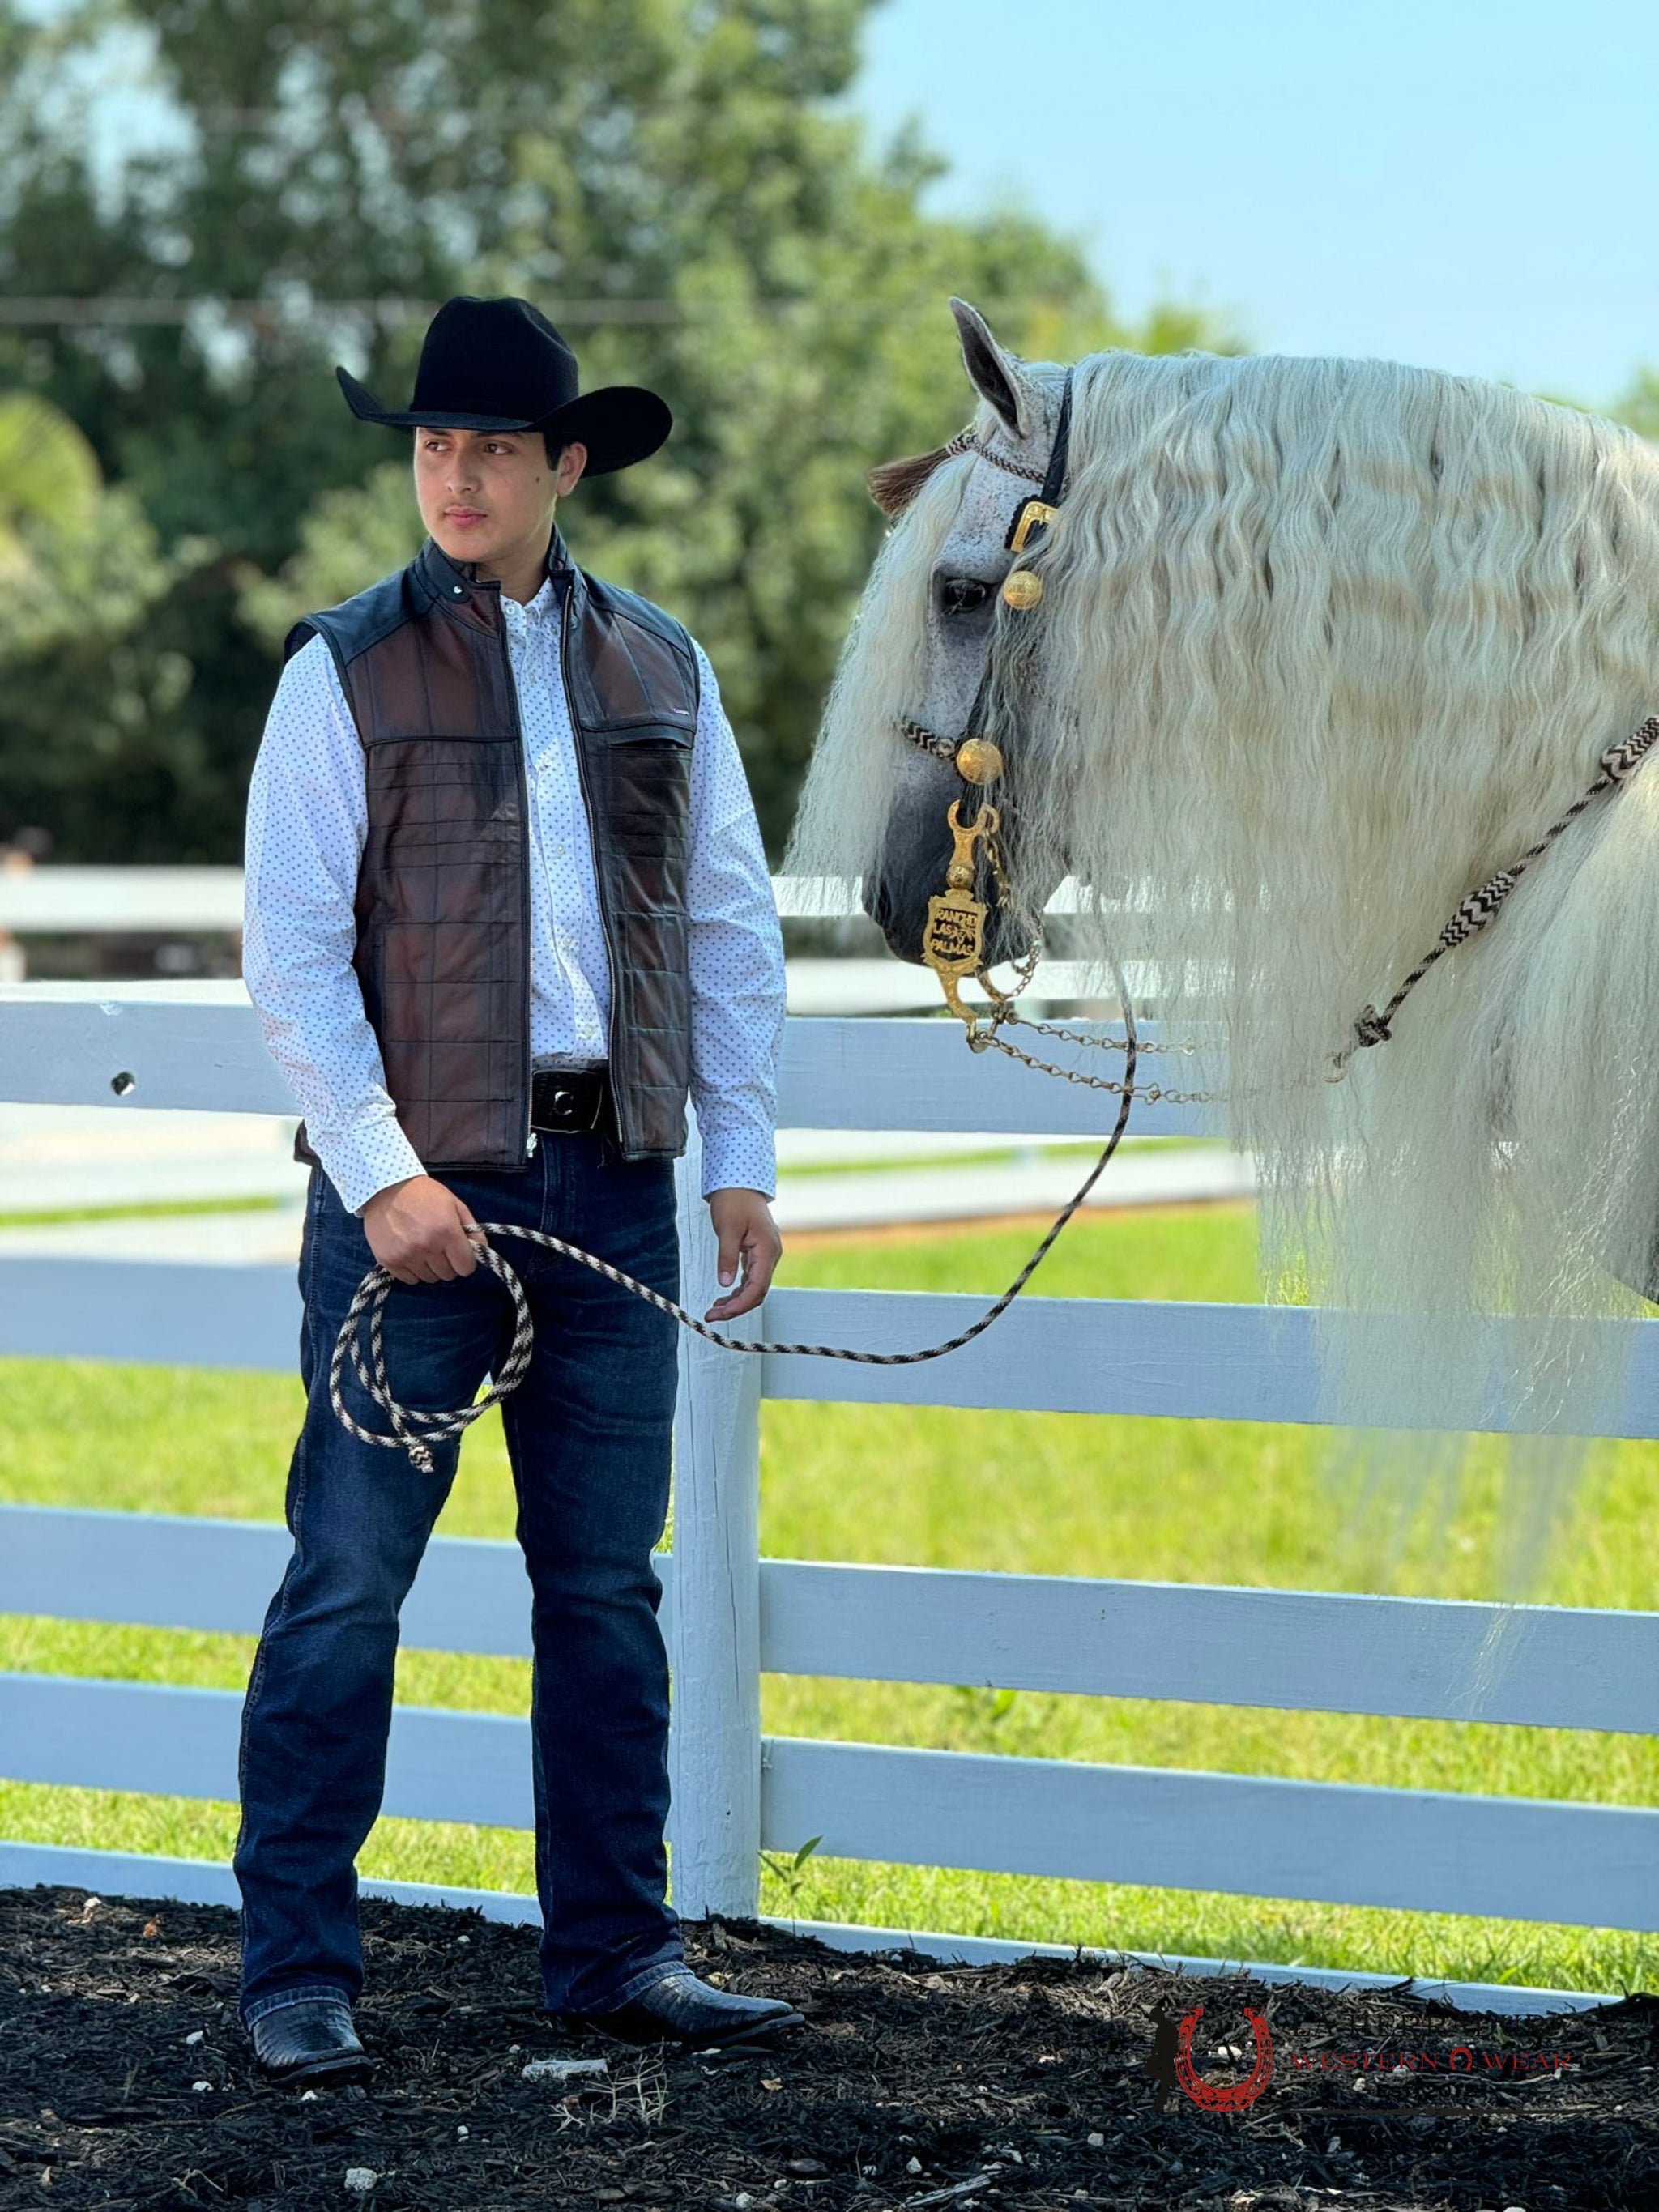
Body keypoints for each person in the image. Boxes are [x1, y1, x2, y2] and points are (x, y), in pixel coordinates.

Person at [234, 295, 796, 2086]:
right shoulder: (339, 668)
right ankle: (296, 1971)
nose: (452, 476)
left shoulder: (663, 671)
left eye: (488, 446)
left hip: (616, 1185)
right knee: (346, 1580)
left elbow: (726, 934)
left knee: (603, 1588)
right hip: (421, 1207)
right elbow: (294, 962)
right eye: (429, 443)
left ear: (565, 464)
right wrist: (382, 1174)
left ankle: (617, 1952)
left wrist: (741, 1162)